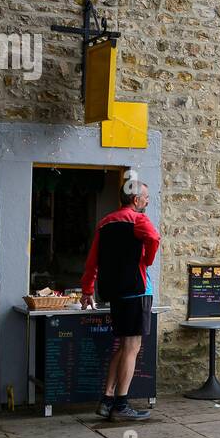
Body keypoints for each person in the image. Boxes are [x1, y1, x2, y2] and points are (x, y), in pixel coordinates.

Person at [80, 179, 160, 421]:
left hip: (115, 293)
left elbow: (92, 260)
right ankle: (121, 405)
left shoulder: (105, 223)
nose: (147, 201)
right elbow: (155, 239)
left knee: (123, 346)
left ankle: (107, 399)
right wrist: (147, 260)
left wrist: (87, 289)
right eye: (145, 197)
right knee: (132, 348)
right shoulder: (139, 219)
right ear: (135, 200)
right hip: (137, 291)